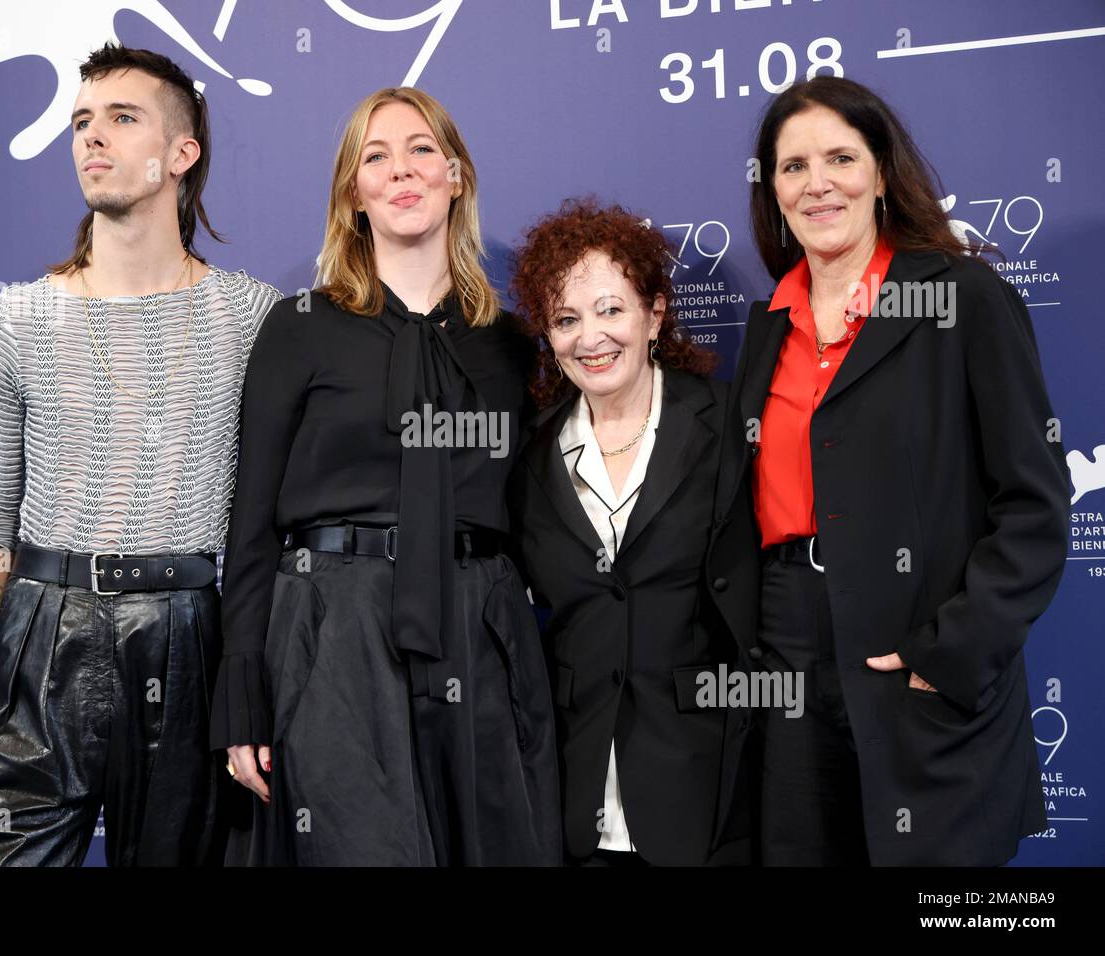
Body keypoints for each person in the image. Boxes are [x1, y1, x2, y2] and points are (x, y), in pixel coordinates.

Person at [725, 75, 1071, 865]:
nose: (817, 184)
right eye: (792, 167)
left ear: (881, 172)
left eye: (840, 158)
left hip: (915, 648)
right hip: (789, 656)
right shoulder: (766, 324)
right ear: (771, 189)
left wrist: (947, 653)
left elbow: (1036, 505)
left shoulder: (964, 300)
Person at [212, 87, 562, 865]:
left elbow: (539, 512)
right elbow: (251, 523)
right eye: (376, 157)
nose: (401, 170)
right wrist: (242, 698)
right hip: (333, 630)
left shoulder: (509, 344)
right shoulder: (300, 327)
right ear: (352, 193)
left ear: (457, 175)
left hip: (479, 627)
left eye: (421, 150)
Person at [0, 43, 280, 866]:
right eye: (82, 122)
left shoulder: (254, 320)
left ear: (181, 153)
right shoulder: (13, 322)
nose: (92, 138)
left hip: (188, 634)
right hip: (39, 631)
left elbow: (268, 529)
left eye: (122, 119)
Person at [507, 200, 758, 866]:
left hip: (711, 802)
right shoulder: (527, 458)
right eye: (566, 319)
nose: (590, 338)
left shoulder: (731, 426)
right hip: (575, 806)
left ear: (654, 313)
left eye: (611, 310)